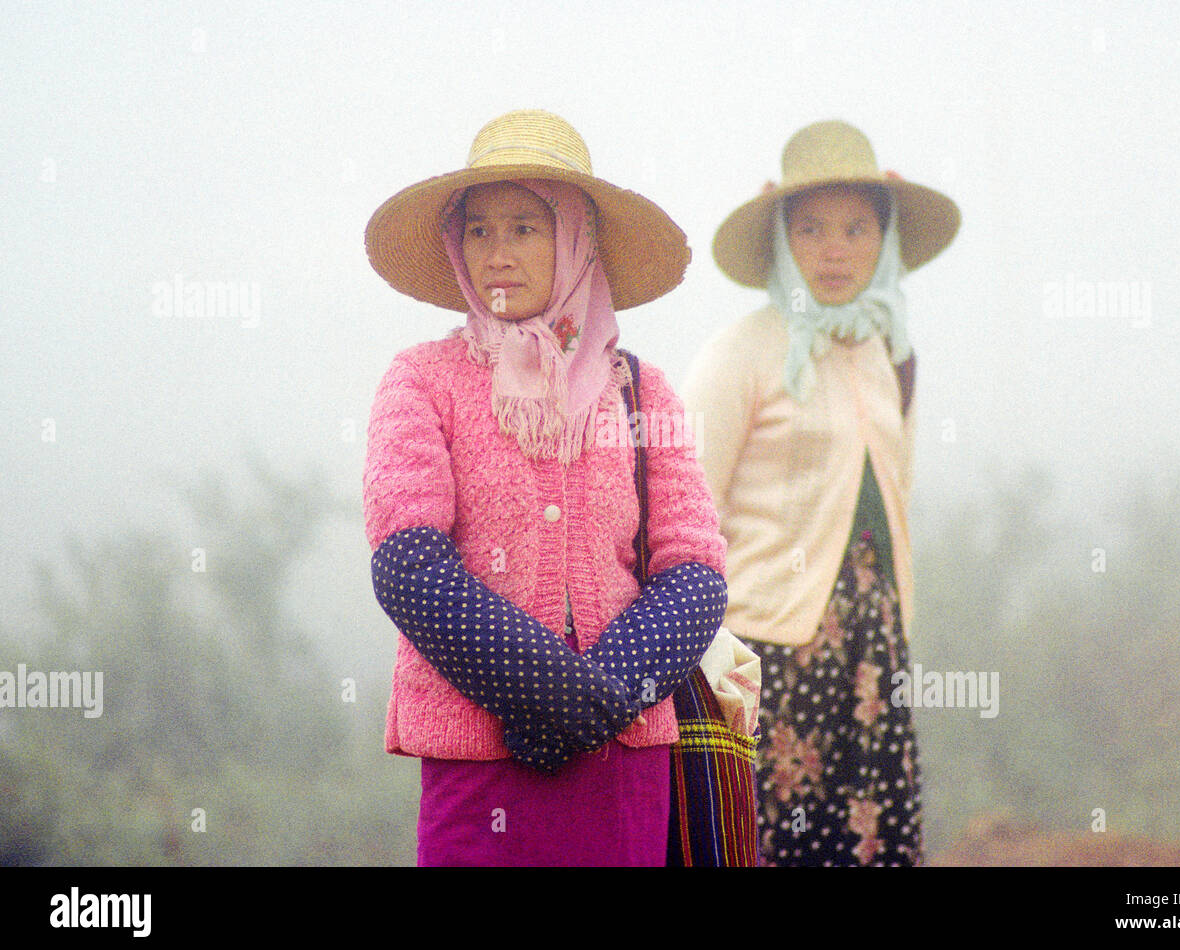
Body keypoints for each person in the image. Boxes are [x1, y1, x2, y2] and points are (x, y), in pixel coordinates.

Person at [362, 110, 727, 866]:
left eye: (526, 228)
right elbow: (409, 563)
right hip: (480, 765)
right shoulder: (421, 381)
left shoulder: (642, 392)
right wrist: (544, 689)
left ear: (575, 239)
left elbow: (693, 572)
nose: (499, 253)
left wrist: (597, 697)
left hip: (620, 760)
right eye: (480, 230)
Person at [682, 120, 960, 866]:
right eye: (810, 228)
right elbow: (683, 514)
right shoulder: (739, 353)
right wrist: (704, 658)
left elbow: (893, 496)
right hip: (765, 656)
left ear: (885, 239)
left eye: (856, 228)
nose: (835, 249)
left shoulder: (888, 354)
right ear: (780, 238)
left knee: (874, 846)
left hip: (874, 657)